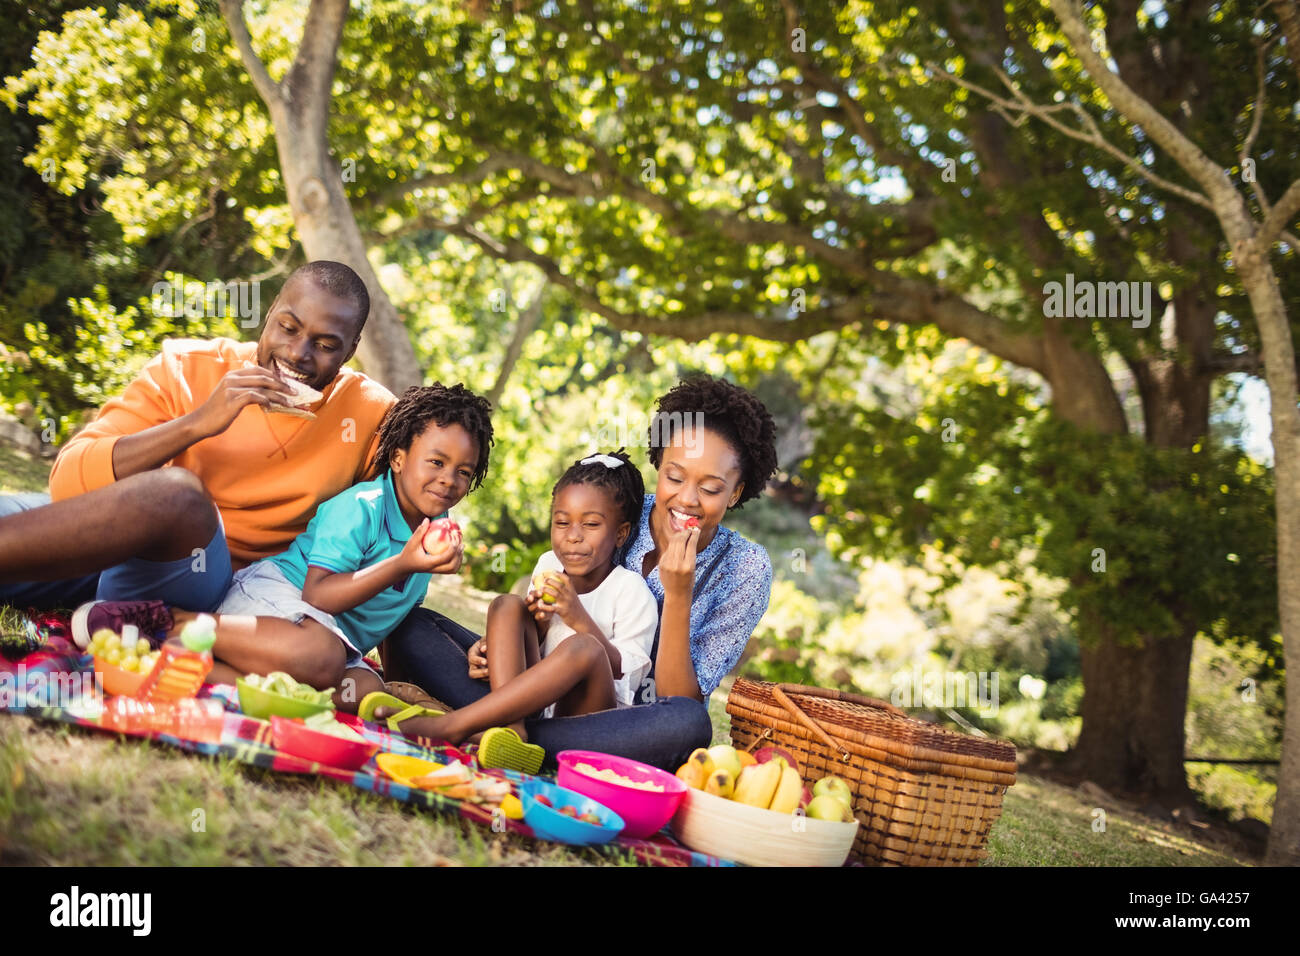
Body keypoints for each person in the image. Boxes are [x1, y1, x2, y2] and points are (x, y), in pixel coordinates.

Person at [380, 375, 779, 771]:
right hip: (537, 686)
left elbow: (677, 699)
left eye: (710, 489)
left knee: (690, 725)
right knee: (409, 623)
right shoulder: (617, 508)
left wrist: (678, 595)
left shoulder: (745, 567)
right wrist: (496, 649)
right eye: (674, 477)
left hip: (625, 723)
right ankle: (509, 728)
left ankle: (479, 724)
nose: (686, 499)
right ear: (659, 463)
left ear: (737, 491)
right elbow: (538, 620)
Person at [0, 261, 395, 621]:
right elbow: (66, 483)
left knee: (179, 497)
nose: (297, 353)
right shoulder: (186, 366)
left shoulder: (374, 416)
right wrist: (196, 424)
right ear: (271, 310)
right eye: (288, 327)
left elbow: (402, 532)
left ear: (351, 350)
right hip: (117, 545)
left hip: (212, 583)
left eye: (325, 346)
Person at [73, 384, 493, 703]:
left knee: (363, 690)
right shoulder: (362, 509)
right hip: (279, 601)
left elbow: (389, 612)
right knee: (322, 661)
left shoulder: (436, 531)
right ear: (399, 457)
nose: (448, 479)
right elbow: (319, 593)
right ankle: (169, 621)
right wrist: (403, 563)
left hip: (328, 638)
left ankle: (181, 665)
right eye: (436, 462)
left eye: (463, 471)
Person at [379, 449, 658, 771]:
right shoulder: (548, 565)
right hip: (532, 706)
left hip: (585, 719)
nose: (573, 537)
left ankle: (452, 726)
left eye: (591, 524)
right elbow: (534, 648)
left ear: (621, 533)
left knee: (583, 646)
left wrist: (578, 618)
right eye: (562, 522)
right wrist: (501, 641)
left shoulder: (631, 590)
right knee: (506, 606)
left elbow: (628, 676)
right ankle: (511, 731)